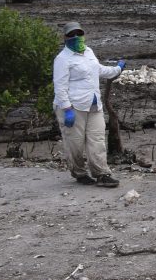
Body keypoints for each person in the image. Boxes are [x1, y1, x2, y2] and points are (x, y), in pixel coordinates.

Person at [52, 21, 125, 188]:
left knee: (97, 140)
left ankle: (102, 174)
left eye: (79, 33)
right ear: (65, 37)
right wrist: (67, 109)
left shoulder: (89, 52)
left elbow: (99, 70)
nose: (76, 37)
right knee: (75, 143)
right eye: (71, 34)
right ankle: (79, 173)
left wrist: (117, 69)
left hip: (94, 104)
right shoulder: (62, 59)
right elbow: (60, 87)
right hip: (73, 107)